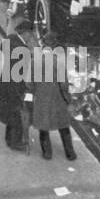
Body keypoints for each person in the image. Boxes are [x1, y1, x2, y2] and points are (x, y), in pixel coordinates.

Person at [30, 31, 76, 161]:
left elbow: (30, 83)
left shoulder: (35, 61)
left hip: (41, 98)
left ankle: (47, 153)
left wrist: (35, 93)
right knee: (63, 126)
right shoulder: (59, 62)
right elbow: (64, 85)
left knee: (43, 128)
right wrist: (68, 100)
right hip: (57, 99)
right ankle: (70, 153)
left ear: (43, 44)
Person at [0, 17, 32, 152]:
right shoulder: (23, 49)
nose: (30, 37)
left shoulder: (11, 39)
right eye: (30, 34)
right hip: (16, 86)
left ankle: (8, 138)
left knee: (10, 113)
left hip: (6, 83)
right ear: (26, 33)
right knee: (17, 115)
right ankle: (15, 142)